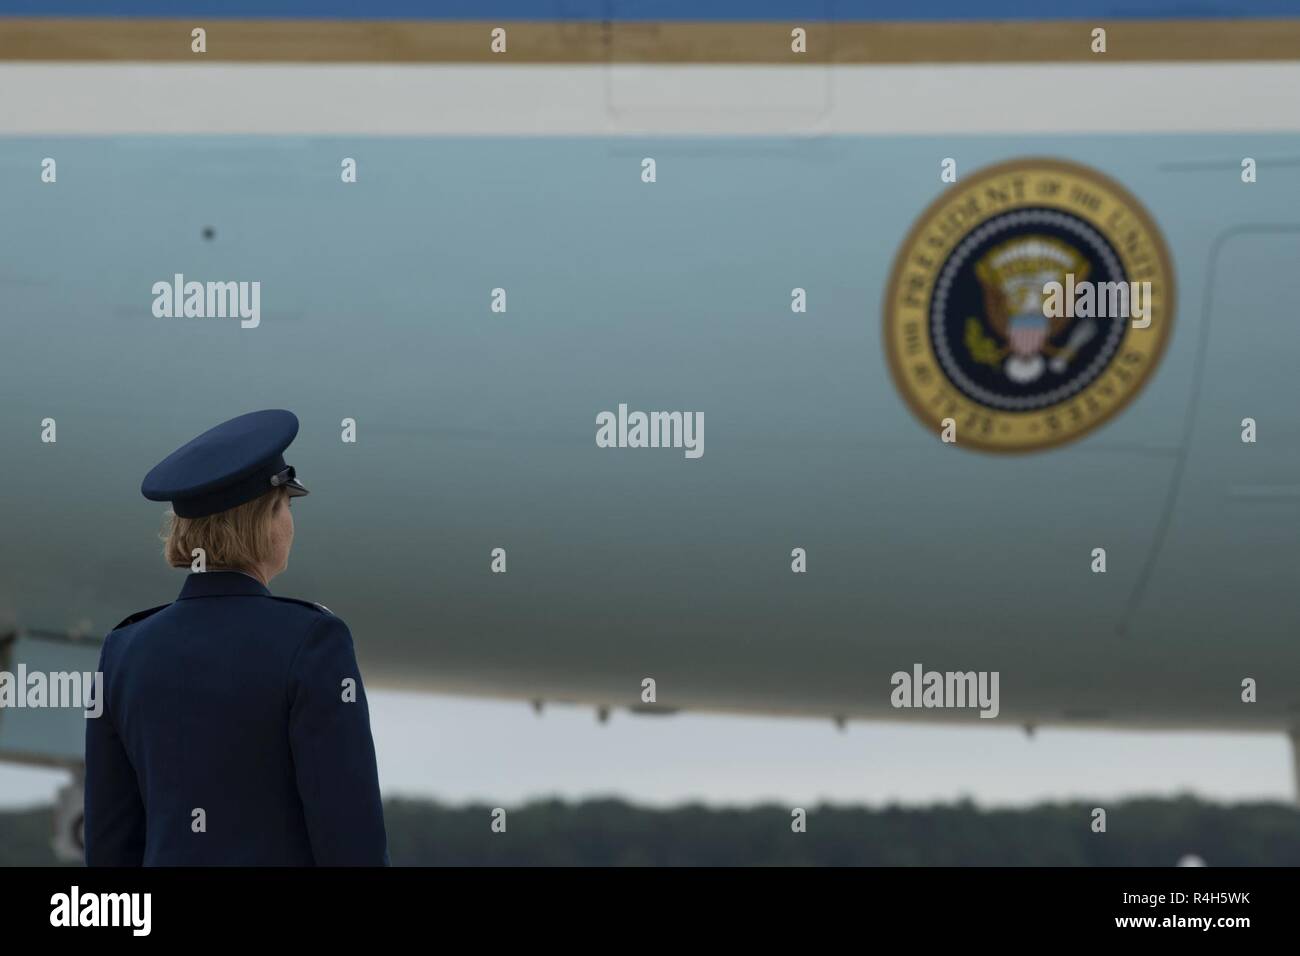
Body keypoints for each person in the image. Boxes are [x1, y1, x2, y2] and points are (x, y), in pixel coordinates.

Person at [84, 408, 389, 866]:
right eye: (286, 504)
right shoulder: (313, 642)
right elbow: (351, 841)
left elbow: (109, 848)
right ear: (265, 520)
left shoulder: (124, 651)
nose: (291, 522)